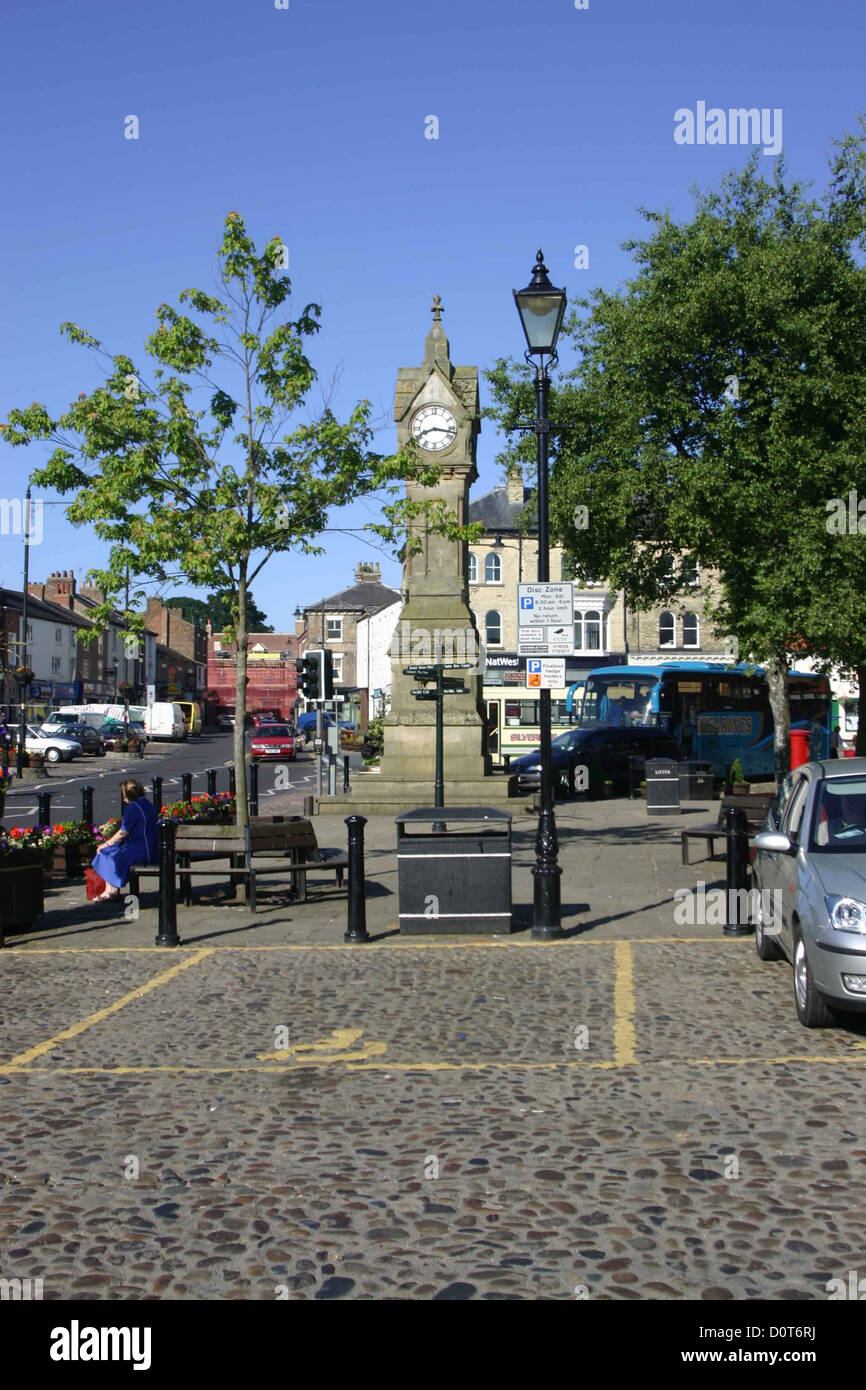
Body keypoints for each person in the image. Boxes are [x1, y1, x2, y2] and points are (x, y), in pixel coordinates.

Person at [90, 780, 159, 903]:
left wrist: (106, 843)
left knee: (105, 852)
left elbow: (123, 832)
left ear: (129, 794)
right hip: (152, 847)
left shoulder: (133, 807)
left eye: (124, 794)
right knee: (112, 851)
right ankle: (111, 889)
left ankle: (111, 890)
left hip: (142, 850)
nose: (123, 798)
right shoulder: (146, 803)